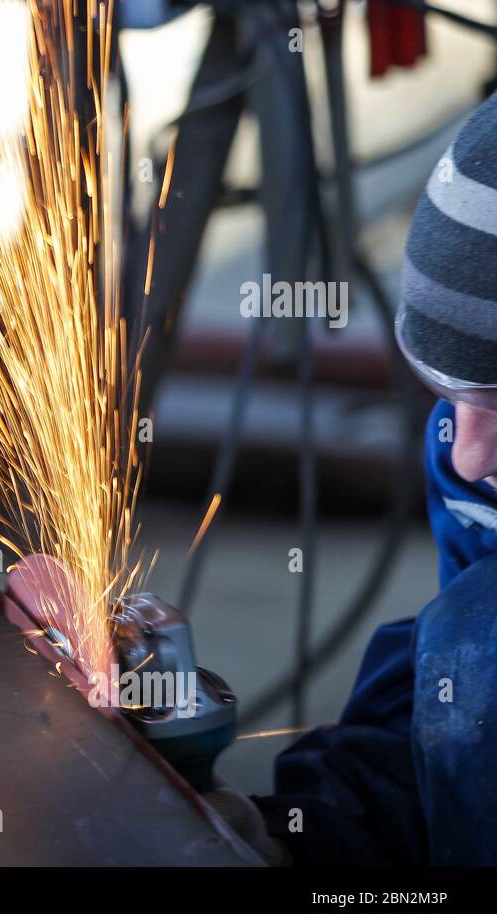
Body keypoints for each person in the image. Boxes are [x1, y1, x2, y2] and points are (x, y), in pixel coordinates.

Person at [236, 91, 497, 865]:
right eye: (450, 399)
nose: (468, 457)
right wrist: (257, 837)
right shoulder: (472, 459)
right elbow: (431, 751)